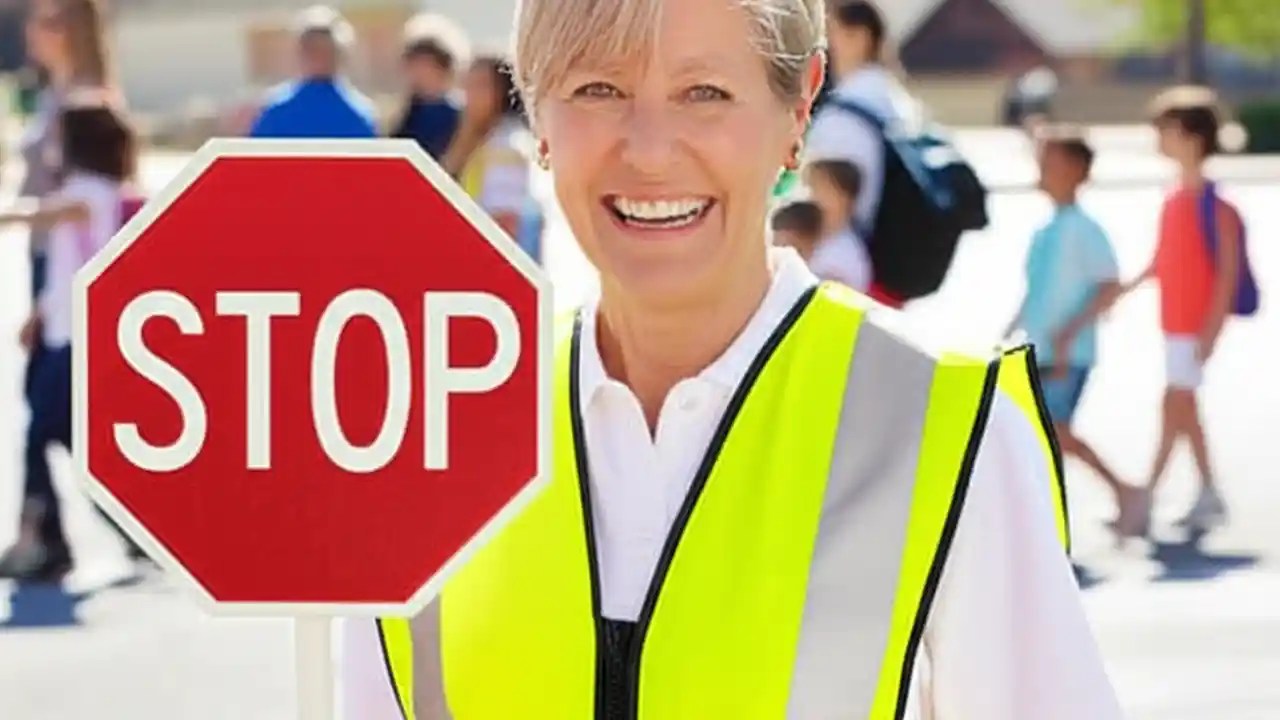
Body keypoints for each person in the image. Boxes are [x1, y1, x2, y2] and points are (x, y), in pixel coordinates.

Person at [340, 0, 1121, 717]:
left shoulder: (946, 428)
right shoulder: (439, 431)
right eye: (597, 89)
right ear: (537, 109)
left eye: (704, 92)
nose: (648, 150)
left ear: (800, 103)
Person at [0, 96, 140, 579]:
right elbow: (67, 268)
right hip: (62, 332)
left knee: (43, 433)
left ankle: (47, 541)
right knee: (72, 440)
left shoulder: (92, 191)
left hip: (80, 340)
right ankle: (130, 527)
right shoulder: (89, 191)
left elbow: (43, 215)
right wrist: (37, 314)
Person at [1006, 127, 1145, 538]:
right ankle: (1047, 515)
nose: (1041, 168)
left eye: (1049, 160)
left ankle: (1124, 491)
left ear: (1073, 169)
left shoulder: (1084, 228)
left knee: (1054, 431)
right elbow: (1036, 291)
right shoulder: (1046, 229)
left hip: (1069, 352)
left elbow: (1109, 285)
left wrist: (1069, 334)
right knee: (1043, 433)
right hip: (1040, 348)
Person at [1124, 87, 1242, 532]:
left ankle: (1146, 495)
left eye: (1165, 130)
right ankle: (1207, 492)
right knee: (1183, 407)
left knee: (1175, 405)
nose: (1158, 138)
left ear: (1189, 136)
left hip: (1194, 328)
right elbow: (1162, 260)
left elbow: (1226, 276)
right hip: (1173, 325)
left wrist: (1210, 332)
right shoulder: (1174, 198)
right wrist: (1123, 291)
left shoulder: (1217, 205)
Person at [805, 0, 907, 308]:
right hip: (877, 264)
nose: (824, 47)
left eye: (831, 33)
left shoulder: (848, 111)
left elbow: (829, 196)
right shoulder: (890, 98)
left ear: (859, 37)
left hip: (838, 264)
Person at [441, 55, 541, 260]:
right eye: (467, 85)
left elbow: (506, 224)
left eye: (480, 85)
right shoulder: (474, 141)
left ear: (503, 91)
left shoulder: (508, 147)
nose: (470, 95)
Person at [248, 5, 378, 139]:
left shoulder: (358, 115)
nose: (320, 57)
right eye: (313, 50)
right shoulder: (275, 111)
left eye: (326, 51)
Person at [389, 13, 468, 160]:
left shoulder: (458, 113)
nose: (419, 72)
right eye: (414, 64)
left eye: (426, 65)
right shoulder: (409, 112)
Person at [804, 158, 872, 292]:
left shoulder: (847, 256)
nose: (813, 195)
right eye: (812, 186)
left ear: (845, 198)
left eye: (823, 188)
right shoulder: (802, 234)